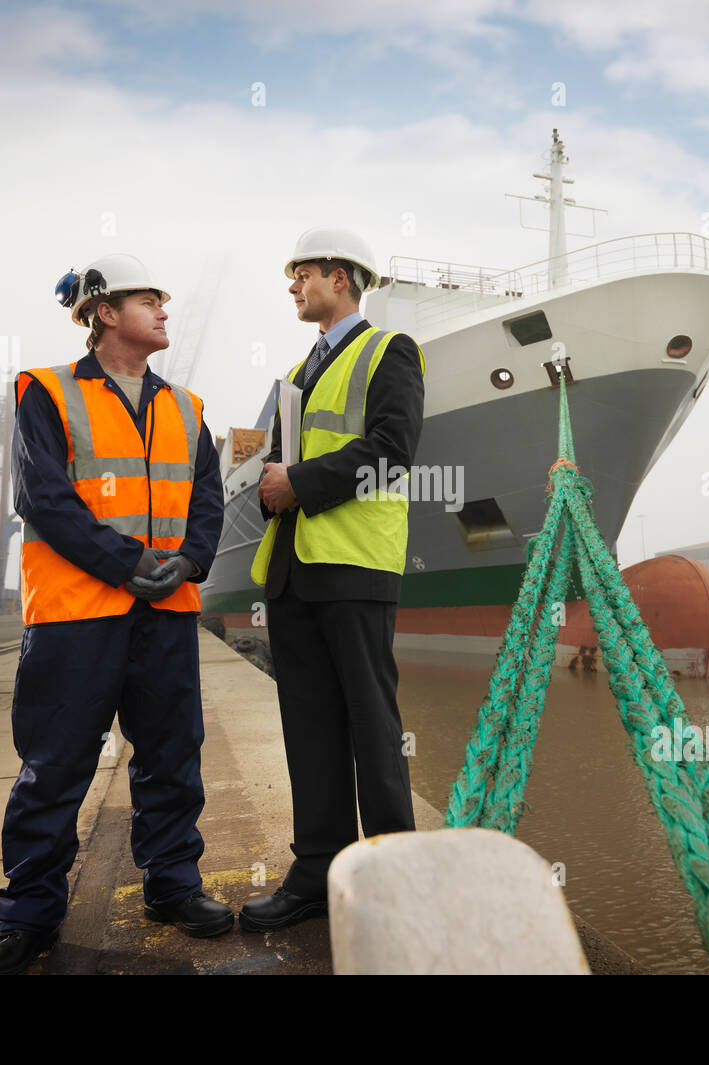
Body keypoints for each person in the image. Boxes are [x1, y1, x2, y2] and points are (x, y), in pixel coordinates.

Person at [0, 253, 229, 975]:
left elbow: (205, 499)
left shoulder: (187, 407)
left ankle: (174, 885)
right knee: (54, 766)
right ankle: (27, 917)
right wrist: (128, 562)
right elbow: (43, 500)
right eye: (151, 300)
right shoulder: (44, 393)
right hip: (77, 615)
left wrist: (192, 560)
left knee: (173, 756)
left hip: (168, 610)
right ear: (106, 313)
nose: (165, 312)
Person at [240, 227, 425, 931]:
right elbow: (280, 465)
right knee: (309, 728)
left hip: (355, 564)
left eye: (303, 274)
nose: (293, 285)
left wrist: (301, 481)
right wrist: (268, 483)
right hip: (293, 571)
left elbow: (393, 450)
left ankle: (391, 877)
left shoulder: (389, 351)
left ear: (340, 278)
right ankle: (318, 869)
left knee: (373, 728)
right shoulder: (297, 369)